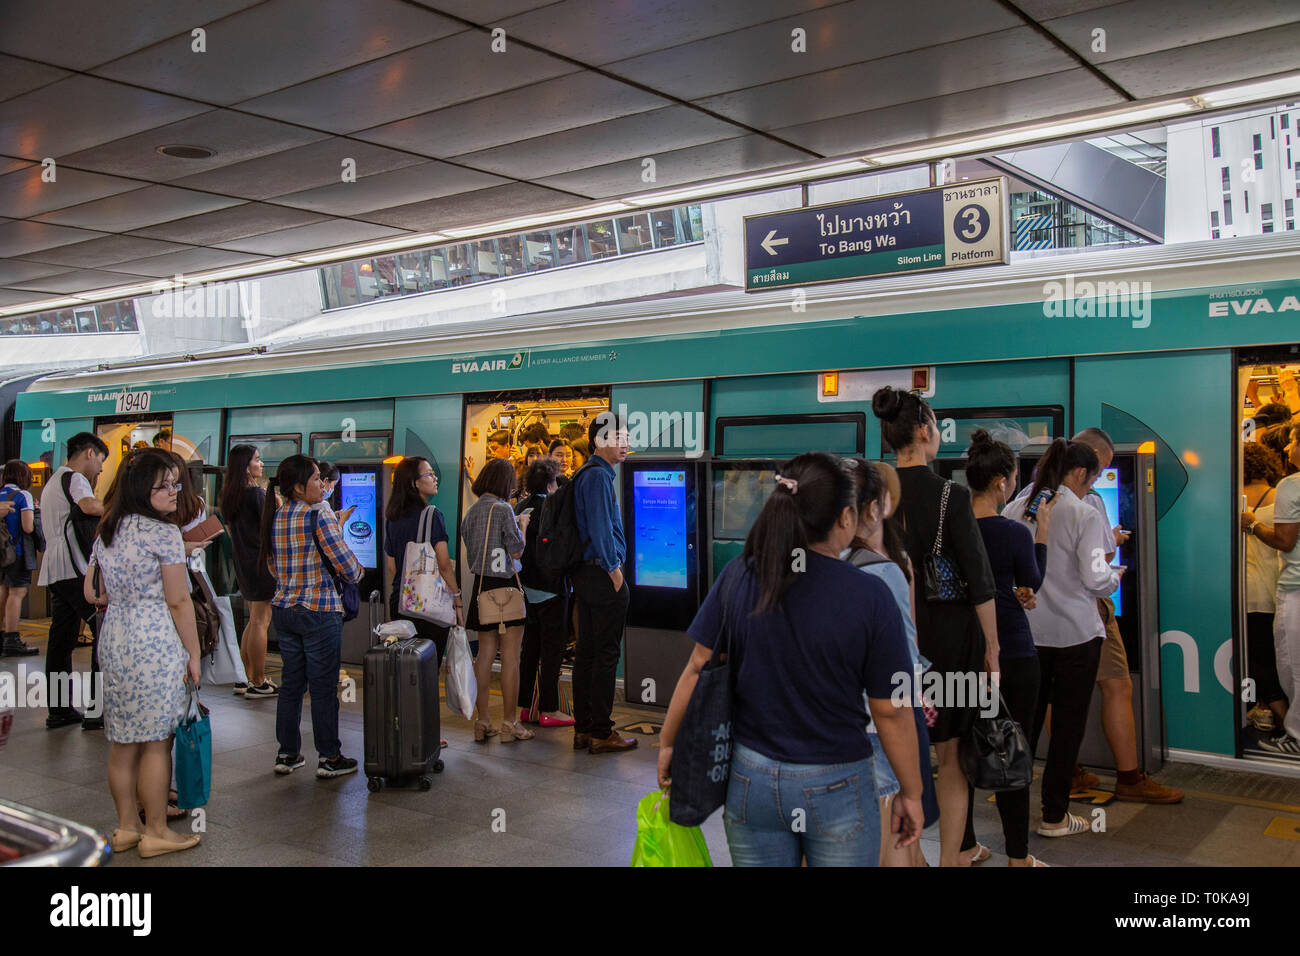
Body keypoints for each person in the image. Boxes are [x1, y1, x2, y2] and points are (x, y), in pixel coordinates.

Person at [658, 452, 924, 866]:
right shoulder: (870, 595)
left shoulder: (741, 574)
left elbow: (698, 666)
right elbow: (890, 711)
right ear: (844, 519)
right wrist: (911, 792)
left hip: (751, 780)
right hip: (838, 782)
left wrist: (669, 742)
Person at [872, 387, 998, 866]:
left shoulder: (874, 492)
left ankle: (910, 861)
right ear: (925, 431)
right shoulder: (952, 495)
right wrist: (993, 648)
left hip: (892, 640)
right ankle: (950, 861)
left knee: (893, 758)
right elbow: (980, 581)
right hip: (950, 639)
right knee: (952, 759)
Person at [83, 448, 202, 858]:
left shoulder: (107, 530)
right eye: (165, 486)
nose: (175, 492)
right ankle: (155, 831)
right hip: (154, 638)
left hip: (115, 634)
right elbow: (179, 601)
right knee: (156, 741)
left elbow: (92, 592)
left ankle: (126, 828)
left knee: (122, 741)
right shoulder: (164, 533)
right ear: (141, 489)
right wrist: (194, 653)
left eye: (177, 483)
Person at [1002, 438, 1121, 837]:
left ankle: (1012, 818)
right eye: (1093, 478)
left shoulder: (1016, 507)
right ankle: (1054, 816)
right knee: (1067, 727)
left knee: (1024, 727)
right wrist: (1114, 576)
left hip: (1028, 637)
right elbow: (1095, 577)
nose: (1092, 486)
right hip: (1076, 636)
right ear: (1079, 473)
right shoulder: (1083, 513)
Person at [1068, 427, 1181, 802]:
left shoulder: (1027, 497)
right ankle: (1130, 778)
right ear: (1091, 464)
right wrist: (1114, 548)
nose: (1100, 477)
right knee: (1118, 685)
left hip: (1044, 617)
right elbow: (1097, 565)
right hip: (1088, 611)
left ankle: (1066, 771)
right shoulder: (1090, 502)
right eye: (1101, 470)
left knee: (1056, 693)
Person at [964, 429, 1051, 866]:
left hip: (964, 654)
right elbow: (1030, 581)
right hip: (1013, 652)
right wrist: (1042, 535)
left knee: (962, 750)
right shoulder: (1015, 533)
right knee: (1014, 753)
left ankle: (965, 847)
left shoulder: (952, 531)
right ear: (1001, 483)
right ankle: (1018, 858)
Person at [844, 457, 930, 867]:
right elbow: (904, 667)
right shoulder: (887, 571)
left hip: (828, 727)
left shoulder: (818, 561)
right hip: (877, 726)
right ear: (876, 506)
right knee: (891, 834)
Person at [261, 454, 364, 777]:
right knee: (322, 687)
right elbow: (347, 566)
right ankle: (329, 757)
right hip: (319, 610)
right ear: (297, 487)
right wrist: (358, 572)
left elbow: (274, 567)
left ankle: (288, 754)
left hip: (285, 609)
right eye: (317, 479)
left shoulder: (277, 516)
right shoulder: (318, 517)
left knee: (292, 684)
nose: (323, 485)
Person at [570, 413, 637, 755]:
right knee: (605, 654)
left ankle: (584, 729)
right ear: (599, 441)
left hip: (586, 575)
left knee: (587, 652)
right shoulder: (597, 477)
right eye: (618, 437)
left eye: (627, 437)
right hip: (601, 574)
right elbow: (599, 528)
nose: (625, 443)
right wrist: (615, 572)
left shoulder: (586, 473)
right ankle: (601, 731)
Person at [39, 432, 108, 731]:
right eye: (101, 461)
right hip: (75, 566)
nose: (102, 469)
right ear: (90, 453)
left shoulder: (53, 481)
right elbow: (90, 507)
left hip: (55, 569)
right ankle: (97, 709)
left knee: (61, 640)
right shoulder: (75, 477)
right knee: (101, 629)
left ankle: (59, 710)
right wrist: (120, 509)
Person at [461, 458, 532, 743]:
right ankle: (509, 723)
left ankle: (482, 721)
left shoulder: (471, 512)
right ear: (505, 483)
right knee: (511, 659)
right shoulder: (503, 510)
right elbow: (516, 551)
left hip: (481, 589)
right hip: (506, 589)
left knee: (484, 657)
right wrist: (523, 525)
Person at [1242, 418, 1300, 753]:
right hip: (1273, 585)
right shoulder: (1282, 488)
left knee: (1289, 663)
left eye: (1293, 441)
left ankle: (1293, 733)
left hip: (1283, 588)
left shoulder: (1292, 485)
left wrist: (1250, 526)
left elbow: (1285, 540)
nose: (1289, 448)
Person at [383, 456, 460, 670]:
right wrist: (456, 596)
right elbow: (443, 564)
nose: (434, 478)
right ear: (414, 483)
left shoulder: (393, 517)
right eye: (429, 474)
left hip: (400, 603)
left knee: (404, 670)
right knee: (426, 671)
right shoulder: (432, 515)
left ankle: (403, 705)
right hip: (427, 606)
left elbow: (392, 567)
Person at [515, 457, 573, 727]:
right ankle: (550, 708)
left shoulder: (520, 507)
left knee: (530, 649)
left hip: (527, 588)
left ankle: (525, 706)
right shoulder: (554, 507)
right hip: (552, 588)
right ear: (551, 483)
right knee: (552, 651)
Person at [220, 445, 278, 699]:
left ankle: (244, 676)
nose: (261, 463)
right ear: (246, 466)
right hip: (261, 563)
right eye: (257, 459)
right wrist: (274, 501)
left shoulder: (230, 494)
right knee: (260, 621)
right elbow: (272, 525)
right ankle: (257, 680)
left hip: (244, 562)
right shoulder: (255, 494)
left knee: (254, 619)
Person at [1242, 441, 1288, 737]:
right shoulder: (1281, 498)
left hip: (1247, 592)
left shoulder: (1237, 500)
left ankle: (1282, 717)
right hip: (1277, 588)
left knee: (1257, 658)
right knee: (1276, 656)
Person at [0, 460, 40, 657]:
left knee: (3, 592)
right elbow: (28, 527)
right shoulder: (23, 496)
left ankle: (2, 636)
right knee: (17, 593)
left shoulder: (1, 494)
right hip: (16, 553)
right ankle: (12, 639)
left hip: (1, 554)